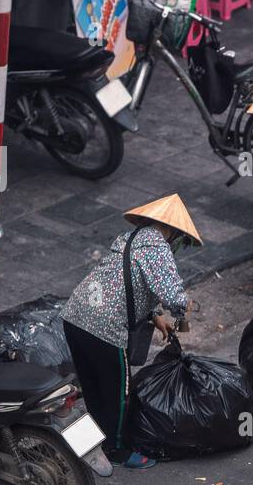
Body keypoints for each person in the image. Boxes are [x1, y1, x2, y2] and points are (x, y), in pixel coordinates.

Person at [60, 194, 202, 469]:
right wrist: (188, 305)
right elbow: (172, 294)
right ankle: (117, 451)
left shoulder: (130, 239)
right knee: (118, 394)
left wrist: (155, 316)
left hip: (75, 316)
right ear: (172, 231)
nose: (177, 246)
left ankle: (92, 442)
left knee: (93, 387)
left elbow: (128, 283)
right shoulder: (158, 247)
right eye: (181, 241)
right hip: (105, 328)